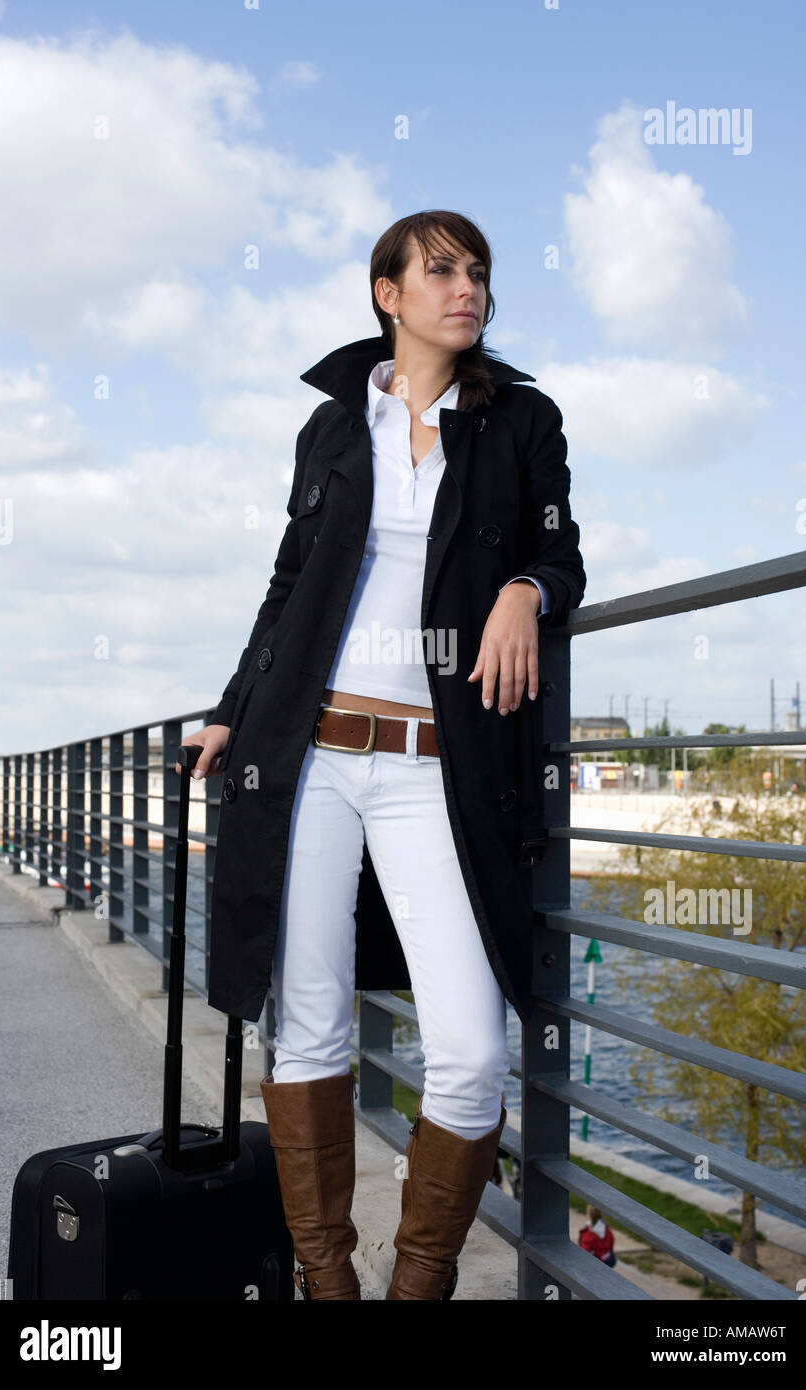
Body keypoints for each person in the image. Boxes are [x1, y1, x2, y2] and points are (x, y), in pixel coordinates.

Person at [179, 210, 586, 1300]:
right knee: (305, 1023)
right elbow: (285, 584)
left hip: (433, 769)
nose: (467, 288)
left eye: (479, 273)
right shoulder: (330, 429)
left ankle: (416, 1286)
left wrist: (522, 589)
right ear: (386, 294)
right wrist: (229, 709)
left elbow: (561, 552)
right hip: (304, 752)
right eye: (440, 270)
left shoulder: (520, 423)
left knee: (468, 1051)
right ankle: (326, 1281)